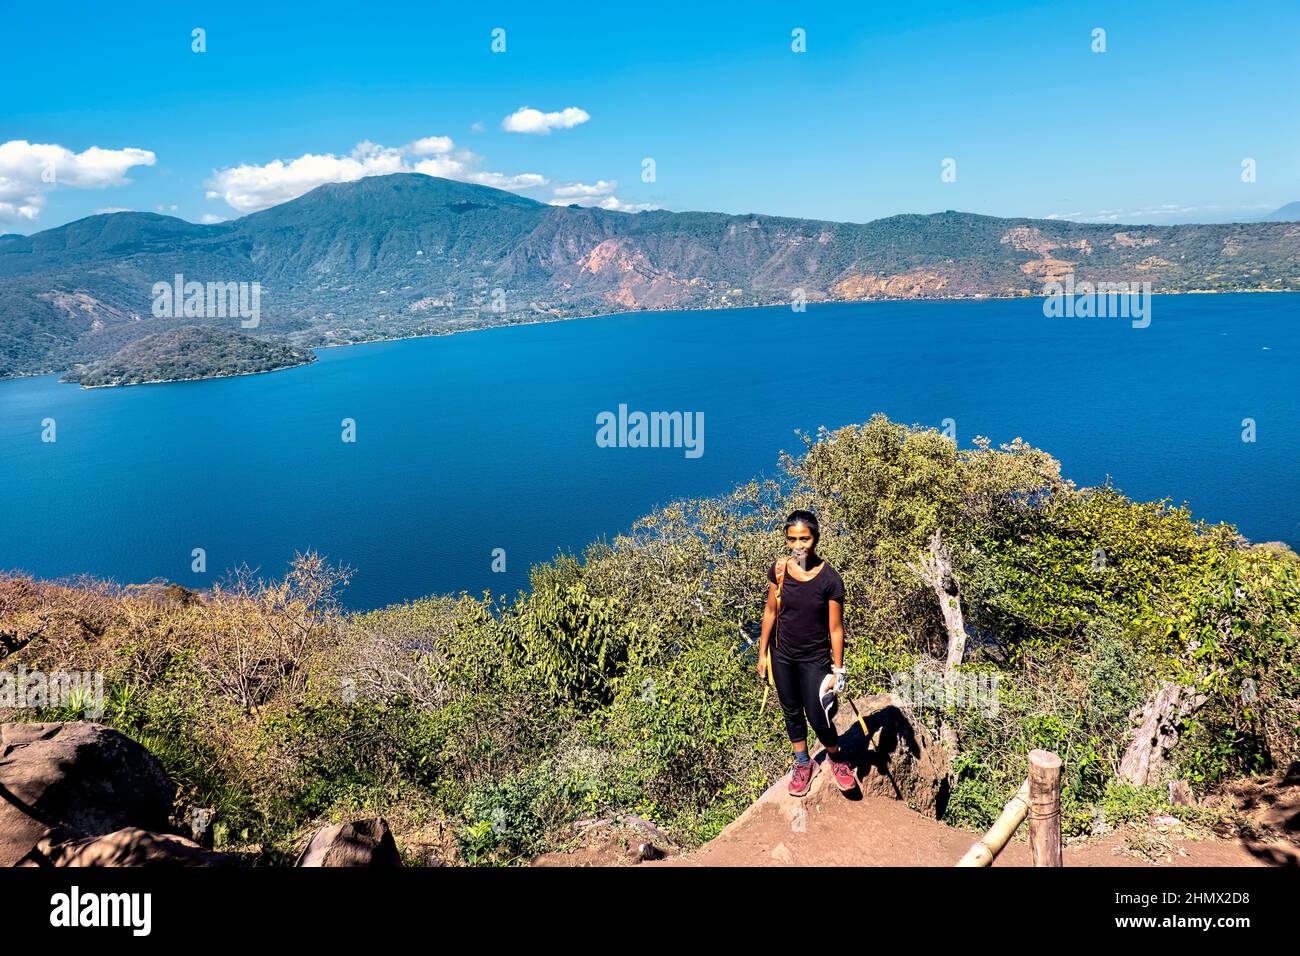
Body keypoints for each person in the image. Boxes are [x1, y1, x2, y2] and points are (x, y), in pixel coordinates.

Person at [758, 509, 857, 796]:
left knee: (818, 715)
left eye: (805, 538)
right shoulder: (779, 570)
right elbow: (770, 611)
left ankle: (836, 758)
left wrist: (838, 670)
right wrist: (762, 653)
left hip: (815, 659)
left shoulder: (830, 580)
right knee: (791, 710)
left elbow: (836, 629)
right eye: (792, 539)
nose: (798, 545)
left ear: (816, 538)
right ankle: (803, 763)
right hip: (782, 655)